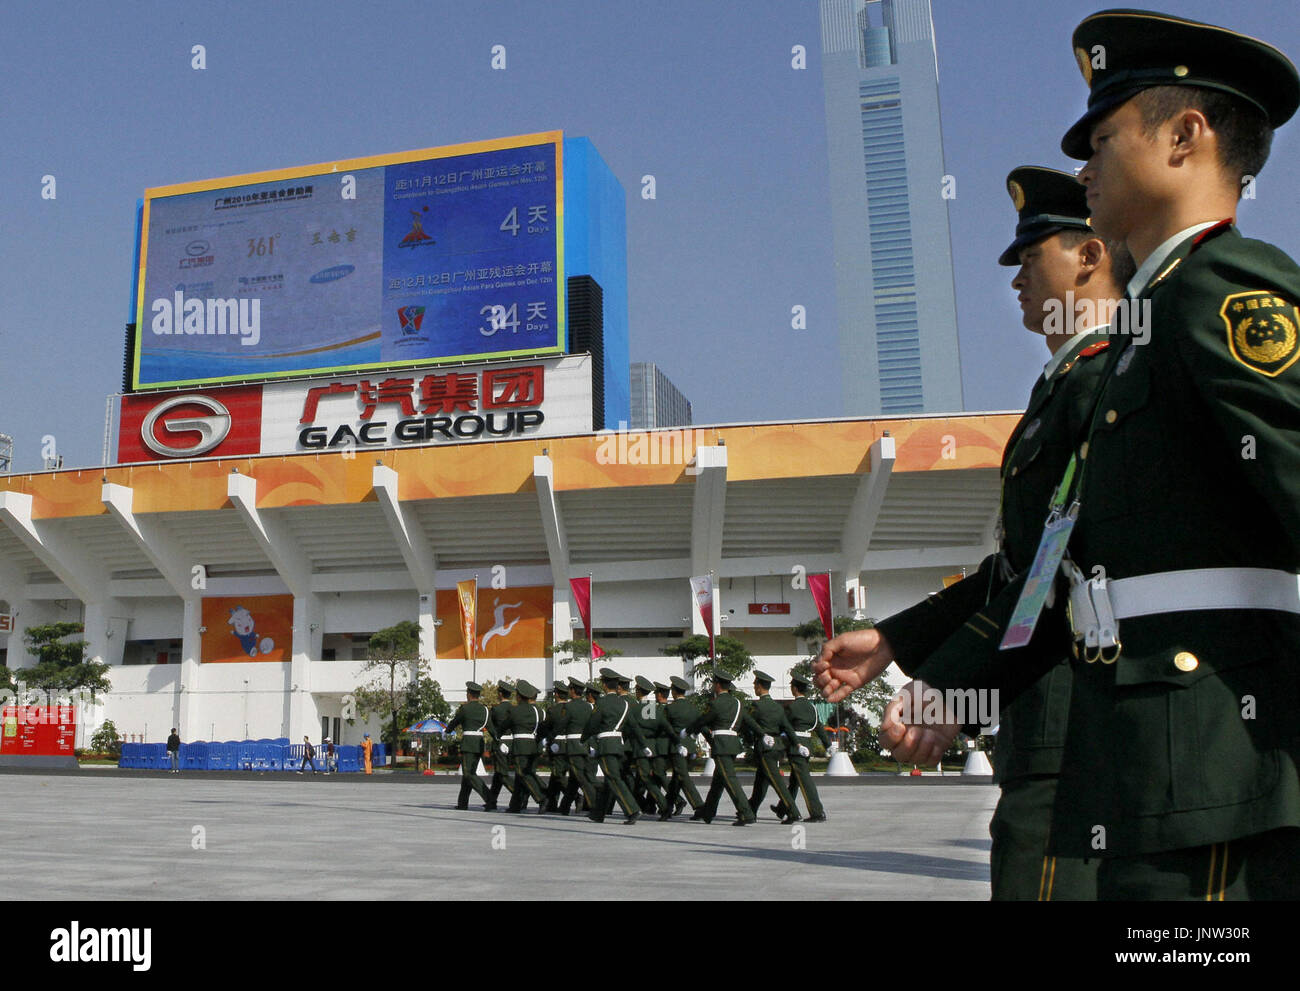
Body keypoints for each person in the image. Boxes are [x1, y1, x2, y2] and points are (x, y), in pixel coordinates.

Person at [821, 9, 1300, 901]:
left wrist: (939, 678)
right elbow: (1058, 561)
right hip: (1151, 757)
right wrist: (929, 664)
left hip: (1218, 751)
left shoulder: (1221, 288)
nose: (1085, 164)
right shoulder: (1135, 346)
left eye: (1104, 136)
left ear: (1184, 137)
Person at [687, 667, 757, 826]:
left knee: (730, 780)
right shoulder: (738, 703)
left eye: (714, 683)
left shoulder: (716, 704)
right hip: (732, 745)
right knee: (718, 781)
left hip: (721, 745)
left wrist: (690, 730)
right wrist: (759, 735)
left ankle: (746, 813)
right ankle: (708, 812)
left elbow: (704, 720)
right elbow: (748, 722)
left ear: (718, 685)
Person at [579, 668, 649, 824]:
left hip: (606, 745)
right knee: (610, 780)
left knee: (614, 779)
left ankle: (632, 810)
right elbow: (635, 726)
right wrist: (644, 744)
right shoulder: (625, 703)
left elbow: (593, 722)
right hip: (619, 745)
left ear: (604, 685)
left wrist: (583, 739)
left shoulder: (602, 702)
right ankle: (598, 813)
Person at [742, 670, 802, 824]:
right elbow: (787, 728)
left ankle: (793, 811)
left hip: (765, 747)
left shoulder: (757, 705)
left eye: (755, 684)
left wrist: (749, 740)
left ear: (760, 686)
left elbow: (747, 722)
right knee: (760, 782)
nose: (754, 686)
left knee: (776, 781)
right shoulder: (777, 707)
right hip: (777, 746)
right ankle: (751, 810)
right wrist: (797, 743)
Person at [775, 673, 831, 823]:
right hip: (807, 745)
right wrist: (828, 744)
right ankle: (783, 808)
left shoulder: (792, 707)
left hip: (796, 746)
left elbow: (784, 725)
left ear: (794, 689)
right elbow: (818, 726)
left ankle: (817, 812)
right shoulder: (812, 707)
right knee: (795, 780)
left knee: (805, 780)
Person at [504, 680, 549, 813]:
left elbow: (505, 725)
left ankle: (541, 798)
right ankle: (516, 804)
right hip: (535, 746)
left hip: (521, 746)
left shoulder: (515, 711)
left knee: (523, 773)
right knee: (523, 775)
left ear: (519, 695)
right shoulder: (540, 711)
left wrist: (499, 735)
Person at [446, 681, 492, 810]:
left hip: (469, 743)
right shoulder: (484, 709)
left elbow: (456, 721)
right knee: (469, 773)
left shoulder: (465, 708)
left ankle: (489, 798)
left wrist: (447, 730)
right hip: (479, 743)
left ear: (469, 694)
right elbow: (490, 727)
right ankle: (462, 803)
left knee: (469, 774)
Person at [629, 676, 671, 818]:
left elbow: (632, 728)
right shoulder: (651, 707)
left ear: (639, 691)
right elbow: (655, 727)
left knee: (646, 778)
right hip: (653, 746)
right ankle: (650, 805)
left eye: (636, 690)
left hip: (641, 747)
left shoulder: (636, 707)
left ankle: (664, 806)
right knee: (645, 779)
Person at [663, 676, 704, 817]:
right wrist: (693, 736)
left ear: (674, 691)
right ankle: (667, 808)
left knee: (683, 777)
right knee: (676, 779)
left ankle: (699, 806)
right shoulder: (693, 708)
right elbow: (700, 723)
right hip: (689, 746)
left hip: (676, 746)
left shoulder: (670, 708)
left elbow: (665, 728)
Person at [558, 680, 600, 815]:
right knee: (574, 778)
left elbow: (562, 724)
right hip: (585, 744)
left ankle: (595, 806)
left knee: (581, 777)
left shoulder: (568, 707)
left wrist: (553, 736)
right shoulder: (589, 707)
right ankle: (564, 806)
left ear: (572, 690)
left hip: (574, 746)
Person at [538, 681, 570, 812]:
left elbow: (546, 728)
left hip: (557, 744)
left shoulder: (553, 710)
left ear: (557, 695)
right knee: (556, 774)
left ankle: (575, 796)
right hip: (570, 744)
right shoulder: (571, 708)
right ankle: (550, 803)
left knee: (558, 774)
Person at [485, 681, 516, 807]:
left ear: (500, 694)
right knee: (498, 774)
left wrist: (496, 737)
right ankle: (491, 801)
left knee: (502, 773)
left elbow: (489, 725)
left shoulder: (496, 709)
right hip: (512, 741)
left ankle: (518, 794)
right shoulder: (514, 709)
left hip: (500, 741)